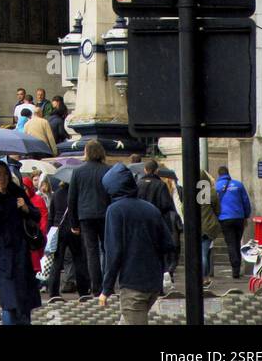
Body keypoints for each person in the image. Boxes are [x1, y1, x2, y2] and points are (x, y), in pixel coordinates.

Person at [99, 164, 172, 325]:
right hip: (154, 282)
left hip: (132, 284)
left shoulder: (115, 210)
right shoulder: (151, 209)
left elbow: (113, 252)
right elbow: (168, 244)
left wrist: (106, 288)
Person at [0, 159, 42, 325]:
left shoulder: (17, 192)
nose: (2, 178)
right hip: (1, 254)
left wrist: (26, 208)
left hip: (20, 252)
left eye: (5, 174)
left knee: (23, 300)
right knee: (9, 302)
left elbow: (36, 215)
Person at [68, 139, 110, 297]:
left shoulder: (78, 172)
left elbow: (72, 199)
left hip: (85, 215)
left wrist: (73, 223)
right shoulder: (108, 170)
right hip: (105, 214)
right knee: (107, 250)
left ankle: (96, 287)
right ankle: (108, 285)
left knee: (91, 252)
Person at [46, 177, 90, 300]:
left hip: (58, 229)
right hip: (73, 229)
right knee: (78, 259)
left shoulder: (56, 194)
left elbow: (51, 215)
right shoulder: (76, 194)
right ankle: (83, 290)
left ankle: (53, 292)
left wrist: (49, 231)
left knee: (57, 261)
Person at [214, 164, 252, 280]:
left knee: (231, 243)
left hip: (225, 218)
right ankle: (237, 266)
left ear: (219, 174)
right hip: (239, 217)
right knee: (237, 241)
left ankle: (235, 268)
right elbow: (246, 201)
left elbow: (214, 204)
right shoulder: (238, 185)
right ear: (228, 173)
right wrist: (246, 215)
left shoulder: (216, 187)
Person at [22, 172, 49, 279]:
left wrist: (41, 232)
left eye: (25, 188)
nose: (24, 191)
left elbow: (44, 217)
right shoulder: (20, 201)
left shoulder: (38, 200)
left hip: (36, 236)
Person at [198, 171, 222, 287]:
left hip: (195, 226)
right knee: (204, 252)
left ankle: (204, 277)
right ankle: (204, 277)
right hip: (208, 226)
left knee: (201, 253)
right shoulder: (211, 192)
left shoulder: (191, 191)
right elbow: (218, 210)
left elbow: (183, 209)